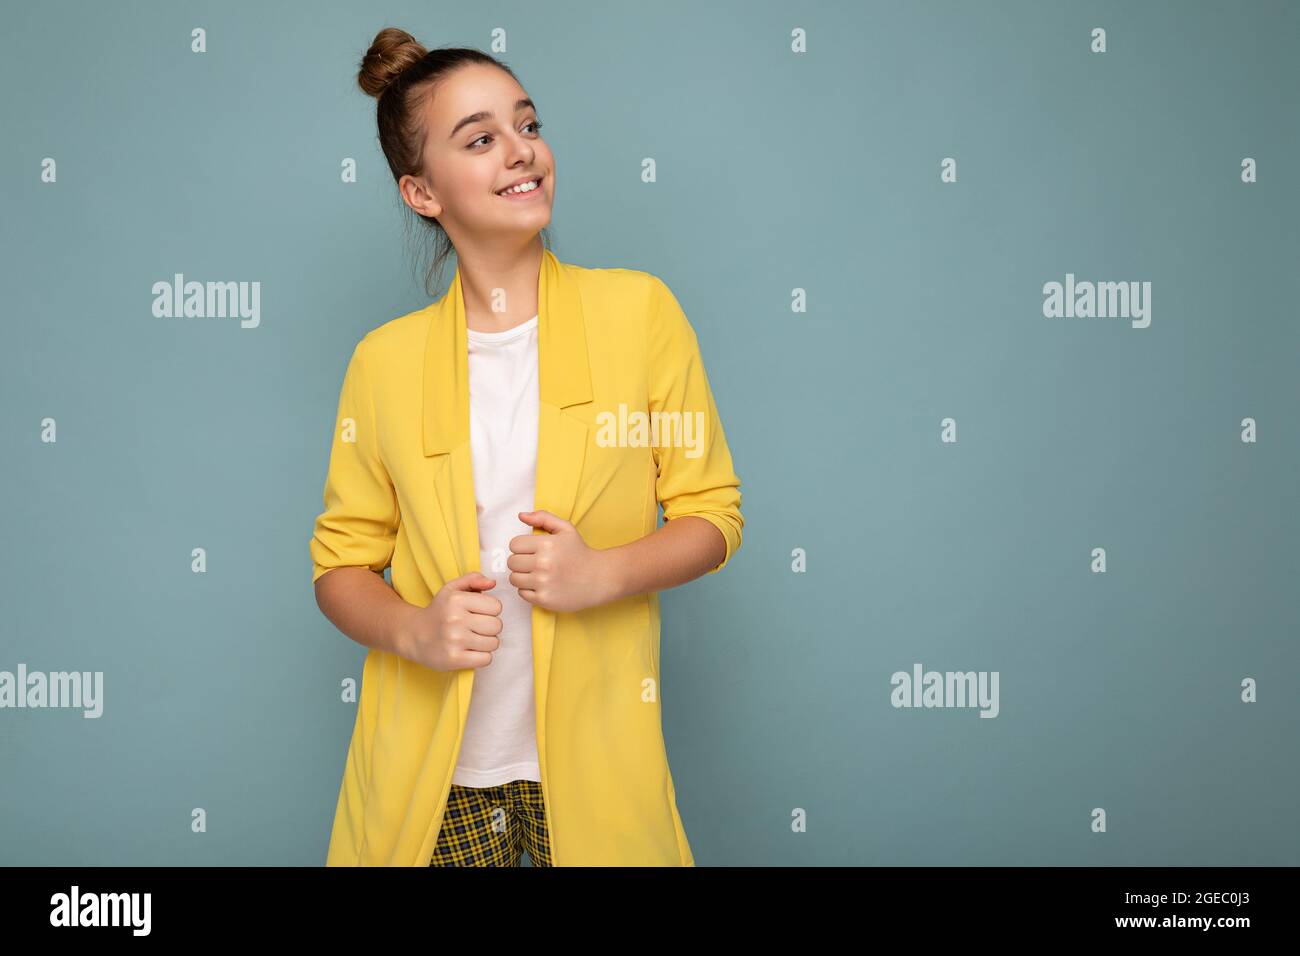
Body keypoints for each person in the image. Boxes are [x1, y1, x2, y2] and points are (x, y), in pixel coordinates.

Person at [310, 27, 744, 866]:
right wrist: (413, 631)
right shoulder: (383, 363)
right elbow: (339, 568)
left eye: (529, 126)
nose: (523, 153)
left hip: (593, 770)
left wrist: (605, 573)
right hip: (433, 782)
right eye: (481, 139)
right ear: (421, 193)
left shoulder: (641, 314)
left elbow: (714, 514)